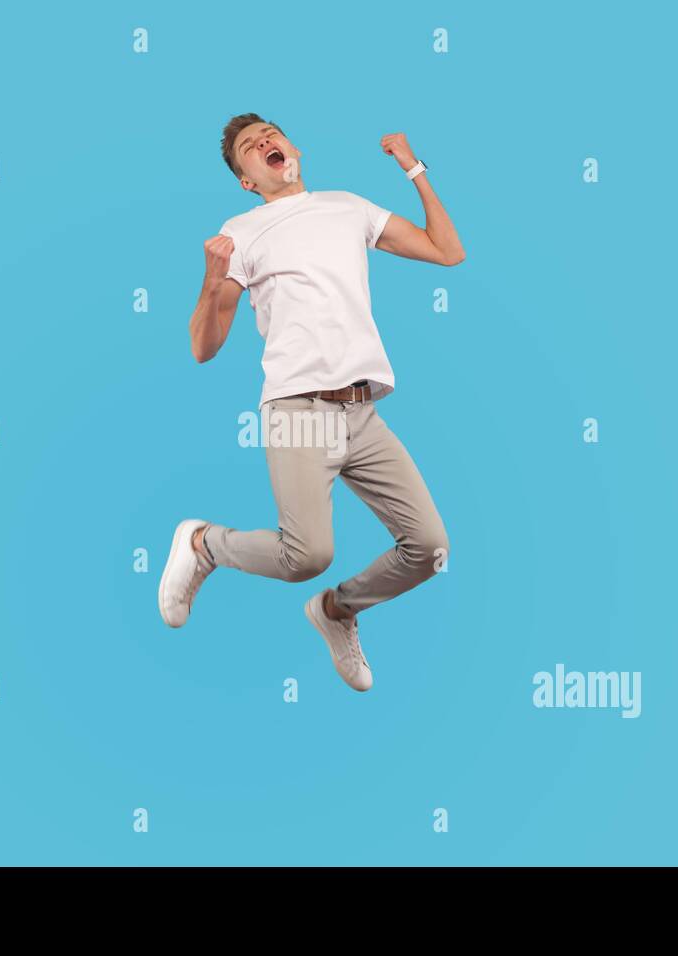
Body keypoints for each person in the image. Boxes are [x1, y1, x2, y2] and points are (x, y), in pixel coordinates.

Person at [158, 113, 465, 692]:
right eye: (250, 147)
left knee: (429, 548)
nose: (265, 143)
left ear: (293, 147)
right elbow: (204, 348)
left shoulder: (348, 207)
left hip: (362, 411)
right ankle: (202, 544)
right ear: (247, 179)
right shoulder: (242, 232)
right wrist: (211, 277)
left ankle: (337, 612)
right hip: (298, 411)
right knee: (306, 556)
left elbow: (447, 252)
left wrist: (414, 169)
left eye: (270, 134)